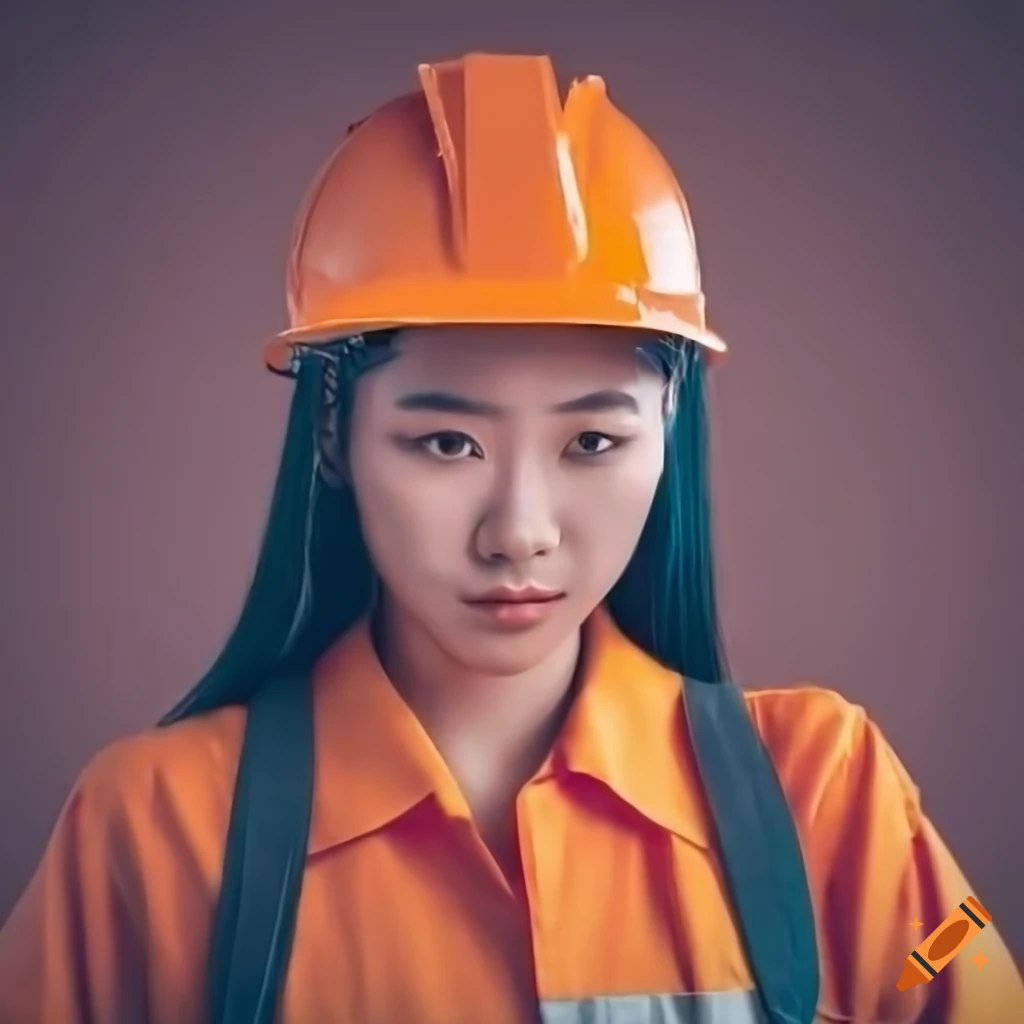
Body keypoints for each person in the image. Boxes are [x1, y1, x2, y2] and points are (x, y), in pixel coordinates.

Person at [0, 51, 1020, 1024]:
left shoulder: (828, 791)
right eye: (447, 443)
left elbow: (948, 962)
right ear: (332, 434)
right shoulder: (152, 831)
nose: (520, 533)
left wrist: (915, 967)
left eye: (592, 441)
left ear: (669, 430)